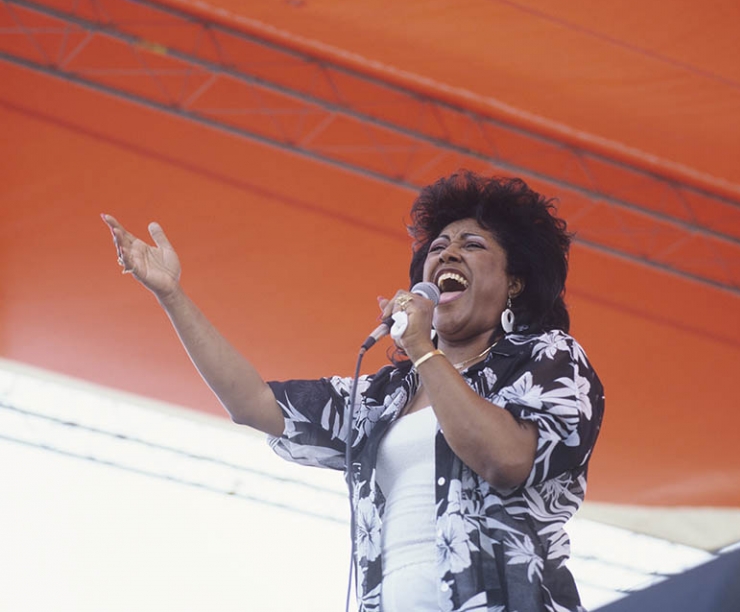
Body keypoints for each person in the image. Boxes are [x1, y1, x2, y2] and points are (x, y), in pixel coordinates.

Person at [102, 170, 604, 612]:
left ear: (515, 282)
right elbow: (253, 403)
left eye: (473, 245)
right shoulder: (384, 398)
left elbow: (506, 459)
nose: (449, 252)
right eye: (438, 247)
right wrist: (172, 295)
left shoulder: (545, 357)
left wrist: (421, 347)